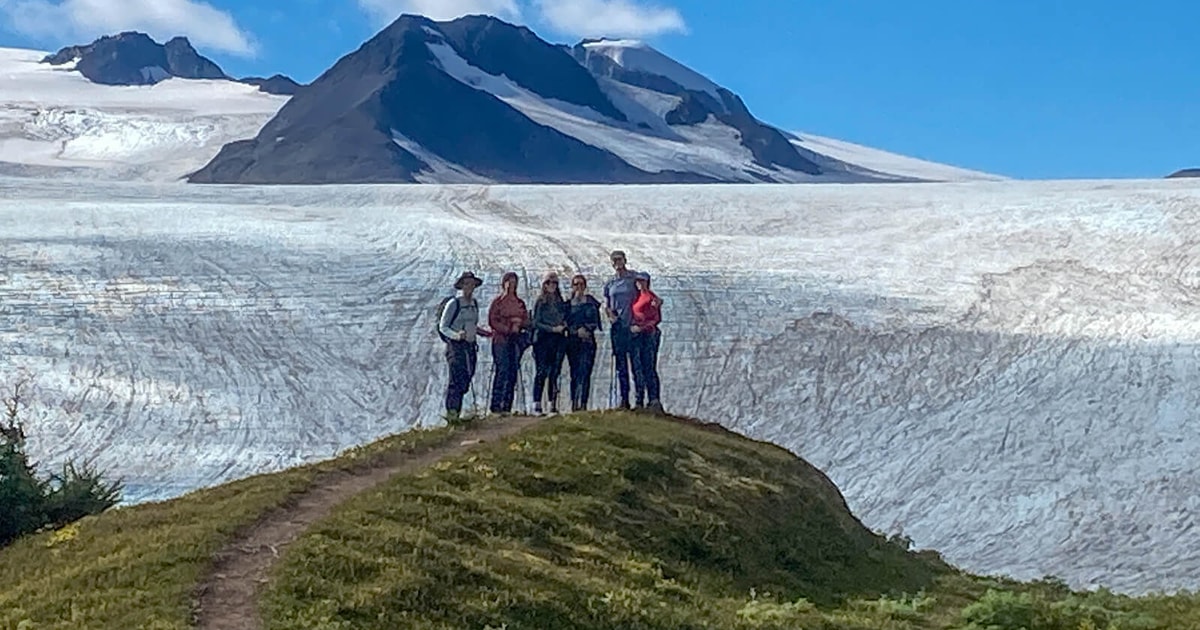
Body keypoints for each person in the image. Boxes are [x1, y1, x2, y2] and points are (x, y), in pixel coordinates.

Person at [438, 271, 491, 421]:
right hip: (455, 347)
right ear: (461, 286)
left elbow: (472, 325)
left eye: (472, 284)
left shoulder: (474, 304)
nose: (470, 286)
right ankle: (452, 415)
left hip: (469, 346)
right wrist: (456, 335)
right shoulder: (453, 304)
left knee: (466, 377)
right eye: (467, 284)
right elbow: (443, 327)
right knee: (456, 380)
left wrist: (484, 333)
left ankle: (456, 413)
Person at [488, 271, 529, 415]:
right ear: (504, 284)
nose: (511, 285)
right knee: (502, 369)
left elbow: (526, 320)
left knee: (512, 371)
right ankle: (496, 405)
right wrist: (508, 328)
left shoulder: (519, 303)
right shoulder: (498, 302)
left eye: (514, 283)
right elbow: (492, 321)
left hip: (514, 340)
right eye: (509, 282)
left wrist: (520, 324)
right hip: (501, 340)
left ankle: (506, 405)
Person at [603, 250, 639, 409]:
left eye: (620, 259)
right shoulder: (610, 283)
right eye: (614, 260)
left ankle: (639, 399)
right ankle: (624, 399)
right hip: (617, 328)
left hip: (632, 326)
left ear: (625, 260)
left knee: (636, 363)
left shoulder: (633, 278)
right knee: (621, 365)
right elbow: (607, 304)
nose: (617, 262)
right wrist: (610, 315)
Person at [530, 272, 569, 414]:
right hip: (543, 339)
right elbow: (536, 322)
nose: (551, 285)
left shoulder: (560, 302)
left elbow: (565, 317)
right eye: (548, 283)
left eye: (554, 283)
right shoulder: (541, 301)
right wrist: (552, 328)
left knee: (554, 372)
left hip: (557, 339)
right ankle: (537, 404)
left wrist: (563, 325)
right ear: (544, 285)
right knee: (541, 371)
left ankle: (552, 403)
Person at [565, 273, 603, 411]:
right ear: (572, 286)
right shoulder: (568, 305)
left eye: (581, 284)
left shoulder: (591, 302)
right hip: (573, 342)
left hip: (588, 341)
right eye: (576, 284)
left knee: (586, 372)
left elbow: (596, 322)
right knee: (574, 373)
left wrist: (586, 329)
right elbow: (566, 323)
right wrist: (575, 331)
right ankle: (574, 403)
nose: (579, 287)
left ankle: (583, 404)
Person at [630, 271, 663, 411]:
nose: (639, 283)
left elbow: (656, 319)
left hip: (648, 335)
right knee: (639, 367)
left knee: (648, 367)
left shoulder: (651, 297)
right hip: (637, 334)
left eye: (642, 281)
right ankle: (640, 400)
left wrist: (642, 327)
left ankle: (653, 399)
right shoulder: (637, 296)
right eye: (638, 281)